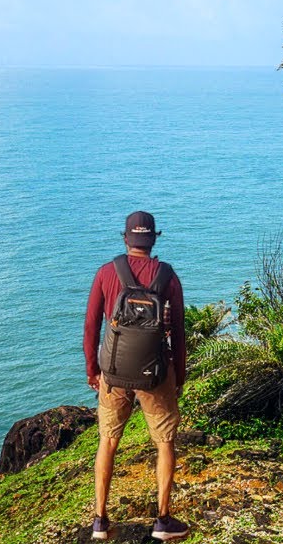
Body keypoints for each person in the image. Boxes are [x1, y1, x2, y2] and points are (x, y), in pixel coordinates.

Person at [83, 211, 191, 541]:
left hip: (113, 374)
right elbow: (178, 332)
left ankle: (100, 521)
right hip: (156, 374)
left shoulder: (105, 273)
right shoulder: (168, 277)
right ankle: (162, 521)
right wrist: (179, 374)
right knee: (164, 442)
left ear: (126, 238)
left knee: (108, 442)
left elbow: (91, 327)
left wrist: (93, 370)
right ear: (154, 238)